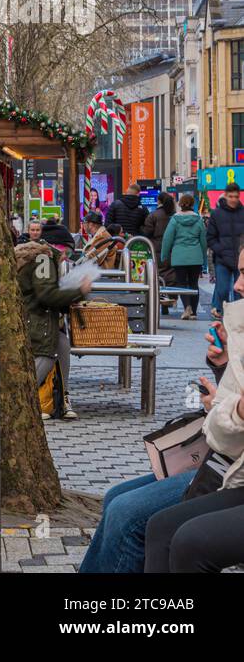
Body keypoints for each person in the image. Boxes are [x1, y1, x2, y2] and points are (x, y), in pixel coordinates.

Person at [144, 315, 244, 573]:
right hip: (220, 465)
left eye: (243, 273)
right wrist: (223, 368)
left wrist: (226, 409)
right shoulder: (238, 323)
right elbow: (220, 432)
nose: (237, 284)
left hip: (222, 469)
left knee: (134, 517)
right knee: (151, 521)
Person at [14, 235, 92, 421]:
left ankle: (63, 398)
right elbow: (46, 294)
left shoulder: (34, 257)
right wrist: (79, 291)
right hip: (38, 321)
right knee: (46, 357)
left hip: (33, 318)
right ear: (61, 248)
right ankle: (16, 398)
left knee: (62, 344)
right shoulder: (45, 258)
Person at [161, 193, 208, 319]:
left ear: (180, 204)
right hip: (195, 256)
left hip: (179, 256)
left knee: (182, 283)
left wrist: (164, 255)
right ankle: (193, 312)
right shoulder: (198, 220)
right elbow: (203, 240)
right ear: (193, 204)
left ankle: (187, 307)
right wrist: (204, 258)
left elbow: (167, 239)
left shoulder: (175, 220)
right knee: (194, 284)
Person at [206, 182, 244, 318]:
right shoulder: (217, 214)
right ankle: (219, 312)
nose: (233, 199)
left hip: (240, 260)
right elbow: (210, 237)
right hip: (222, 258)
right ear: (226, 196)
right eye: (231, 196)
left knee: (239, 292)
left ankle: (237, 317)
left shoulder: (243, 213)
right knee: (222, 289)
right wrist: (220, 249)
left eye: (236, 196)